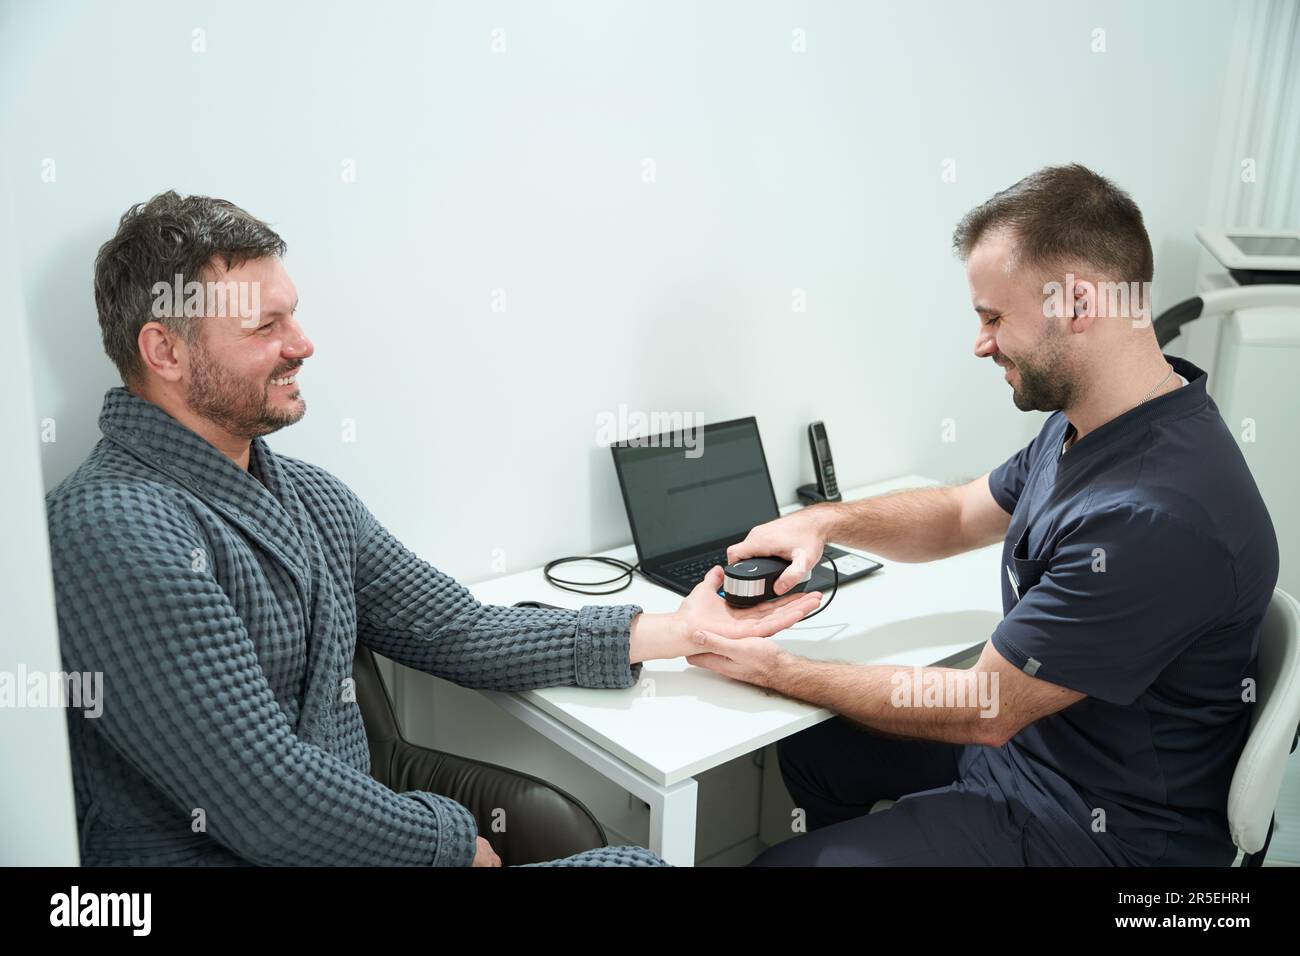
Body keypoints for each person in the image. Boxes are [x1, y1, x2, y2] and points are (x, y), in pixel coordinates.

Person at [45, 191, 823, 867]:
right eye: (264, 326)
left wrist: (678, 629)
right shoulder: (115, 529)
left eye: (294, 314)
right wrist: (445, 843)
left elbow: (456, 628)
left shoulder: (309, 498)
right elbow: (261, 798)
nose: (302, 343)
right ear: (165, 351)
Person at [693, 164, 1279, 866]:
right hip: (1033, 752)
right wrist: (822, 521)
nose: (980, 342)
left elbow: (983, 707)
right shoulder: (1093, 424)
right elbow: (960, 514)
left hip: (1099, 833)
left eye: (993, 316)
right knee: (816, 753)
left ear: (1078, 304)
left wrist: (776, 670)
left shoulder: (1156, 511)